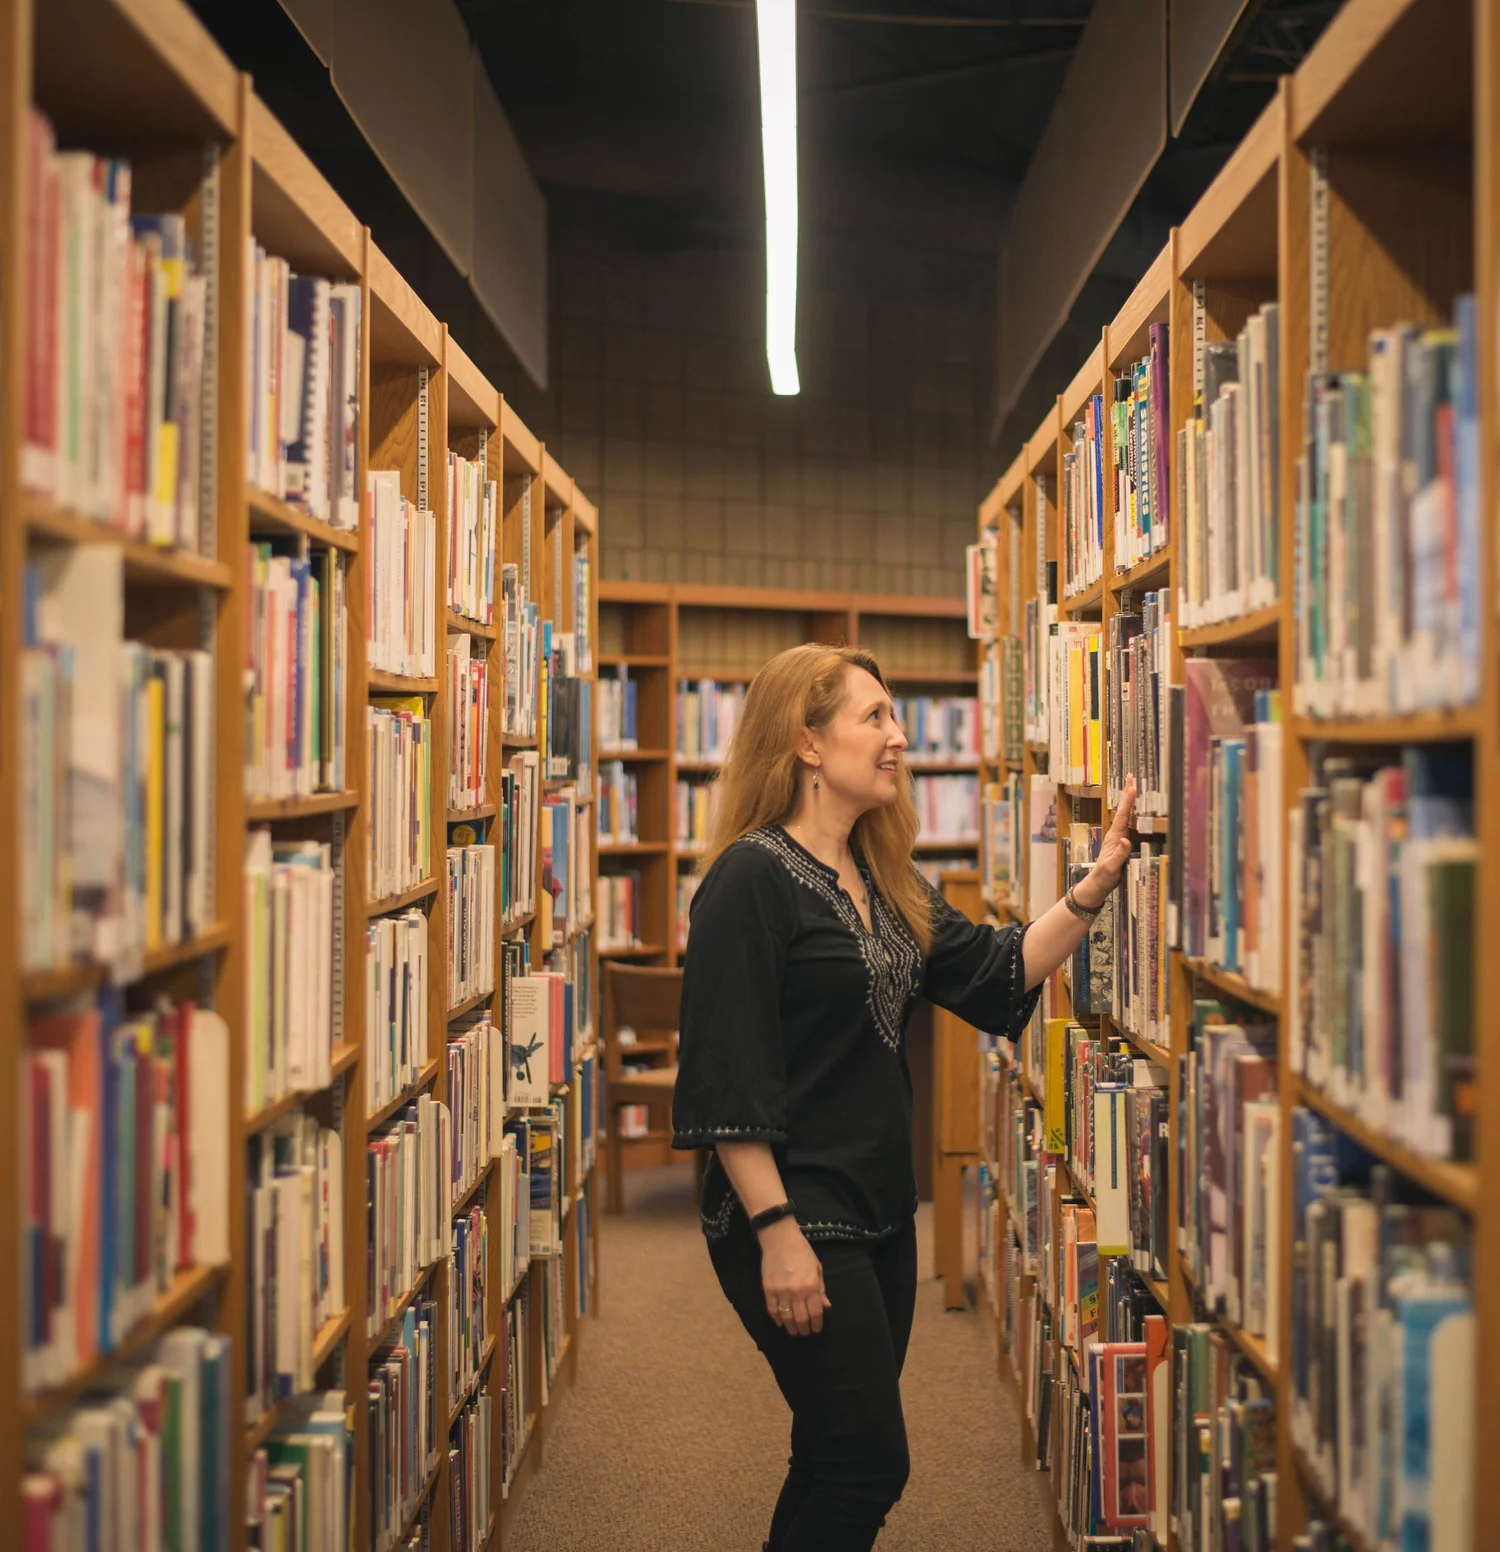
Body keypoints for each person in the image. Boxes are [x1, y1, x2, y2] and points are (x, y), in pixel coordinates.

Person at [671, 643, 1136, 1552]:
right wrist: (777, 1235)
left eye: (894, 716)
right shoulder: (748, 880)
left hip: (881, 1212)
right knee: (869, 1465)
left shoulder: (884, 877)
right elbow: (726, 1075)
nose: (899, 736)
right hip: (796, 1218)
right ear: (807, 742)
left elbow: (995, 971)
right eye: (874, 716)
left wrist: (1097, 885)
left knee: (829, 1450)